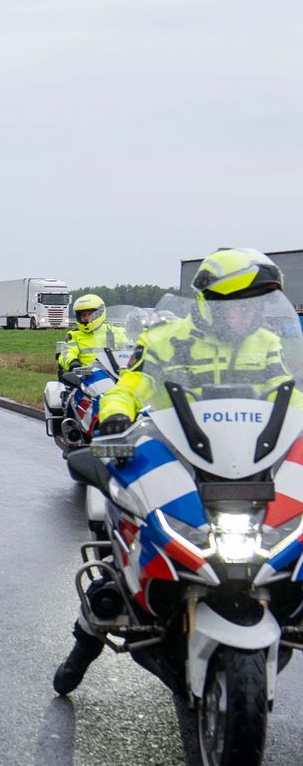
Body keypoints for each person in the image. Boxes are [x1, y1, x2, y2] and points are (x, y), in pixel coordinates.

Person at [53, 248, 292, 695]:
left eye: (252, 308)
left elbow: (288, 395)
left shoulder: (267, 343)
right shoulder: (166, 338)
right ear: (207, 302)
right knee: (126, 540)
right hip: (176, 448)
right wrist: (116, 415)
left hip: (242, 454)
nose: (244, 318)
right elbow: (131, 385)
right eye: (234, 308)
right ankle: (91, 633)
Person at [57, 294, 127, 372]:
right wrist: (73, 362)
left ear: (100, 313)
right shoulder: (74, 335)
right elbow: (67, 353)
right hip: (86, 376)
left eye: (90, 314)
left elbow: (130, 351)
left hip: (115, 374)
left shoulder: (116, 331)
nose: (87, 318)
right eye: (83, 315)